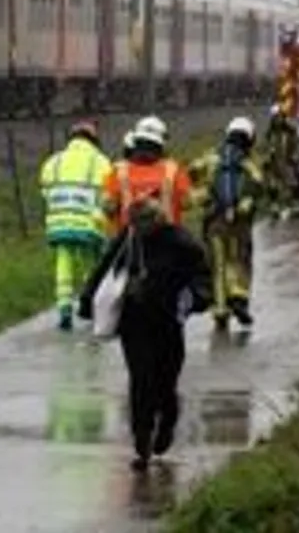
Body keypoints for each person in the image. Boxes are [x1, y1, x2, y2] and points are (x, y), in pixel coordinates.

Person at [77, 192, 215, 471]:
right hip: (134, 321)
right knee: (141, 379)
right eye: (133, 223)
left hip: (167, 322)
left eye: (141, 223)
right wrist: (87, 299)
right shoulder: (128, 239)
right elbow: (105, 268)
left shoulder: (180, 242)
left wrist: (197, 298)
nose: (137, 229)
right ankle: (142, 441)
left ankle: (167, 420)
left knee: (165, 381)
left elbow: (201, 275)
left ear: (156, 219)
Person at [37, 118, 114, 331]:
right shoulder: (101, 162)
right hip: (90, 222)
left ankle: (64, 308)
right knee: (91, 263)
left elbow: (45, 190)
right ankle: (89, 304)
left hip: (59, 221)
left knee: (64, 260)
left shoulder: (53, 161)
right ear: (94, 140)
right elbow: (108, 195)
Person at [188, 116, 265, 328]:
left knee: (217, 263)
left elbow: (192, 171)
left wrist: (203, 193)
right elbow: (259, 184)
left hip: (214, 220)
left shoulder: (211, 157)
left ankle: (220, 309)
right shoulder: (249, 163)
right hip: (240, 223)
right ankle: (238, 296)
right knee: (239, 259)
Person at [101, 117, 194, 233]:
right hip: (169, 241)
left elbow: (108, 207)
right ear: (160, 145)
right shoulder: (174, 170)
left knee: (110, 251)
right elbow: (188, 203)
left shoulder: (119, 171)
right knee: (195, 250)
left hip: (130, 241)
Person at [261, 105, 299, 218]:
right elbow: (264, 147)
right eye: (275, 117)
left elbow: (296, 145)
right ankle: (275, 206)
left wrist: (295, 157)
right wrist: (267, 155)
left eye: (280, 117)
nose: (278, 120)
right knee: (273, 185)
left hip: (287, 161)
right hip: (273, 162)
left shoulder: (290, 132)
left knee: (289, 185)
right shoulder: (270, 134)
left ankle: (290, 206)